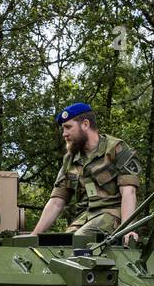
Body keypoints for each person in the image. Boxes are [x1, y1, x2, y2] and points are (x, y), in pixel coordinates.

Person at [29, 103, 143, 244]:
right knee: (59, 244)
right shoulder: (71, 159)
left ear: (85, 124)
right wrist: (34, 236)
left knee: (77, 241)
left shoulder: (115, 149)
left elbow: (129, 193)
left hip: (112, 214)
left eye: (68, 127)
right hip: (84, 218)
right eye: (63, 128)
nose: (64, 134)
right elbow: (56, 202)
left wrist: (127, 229)